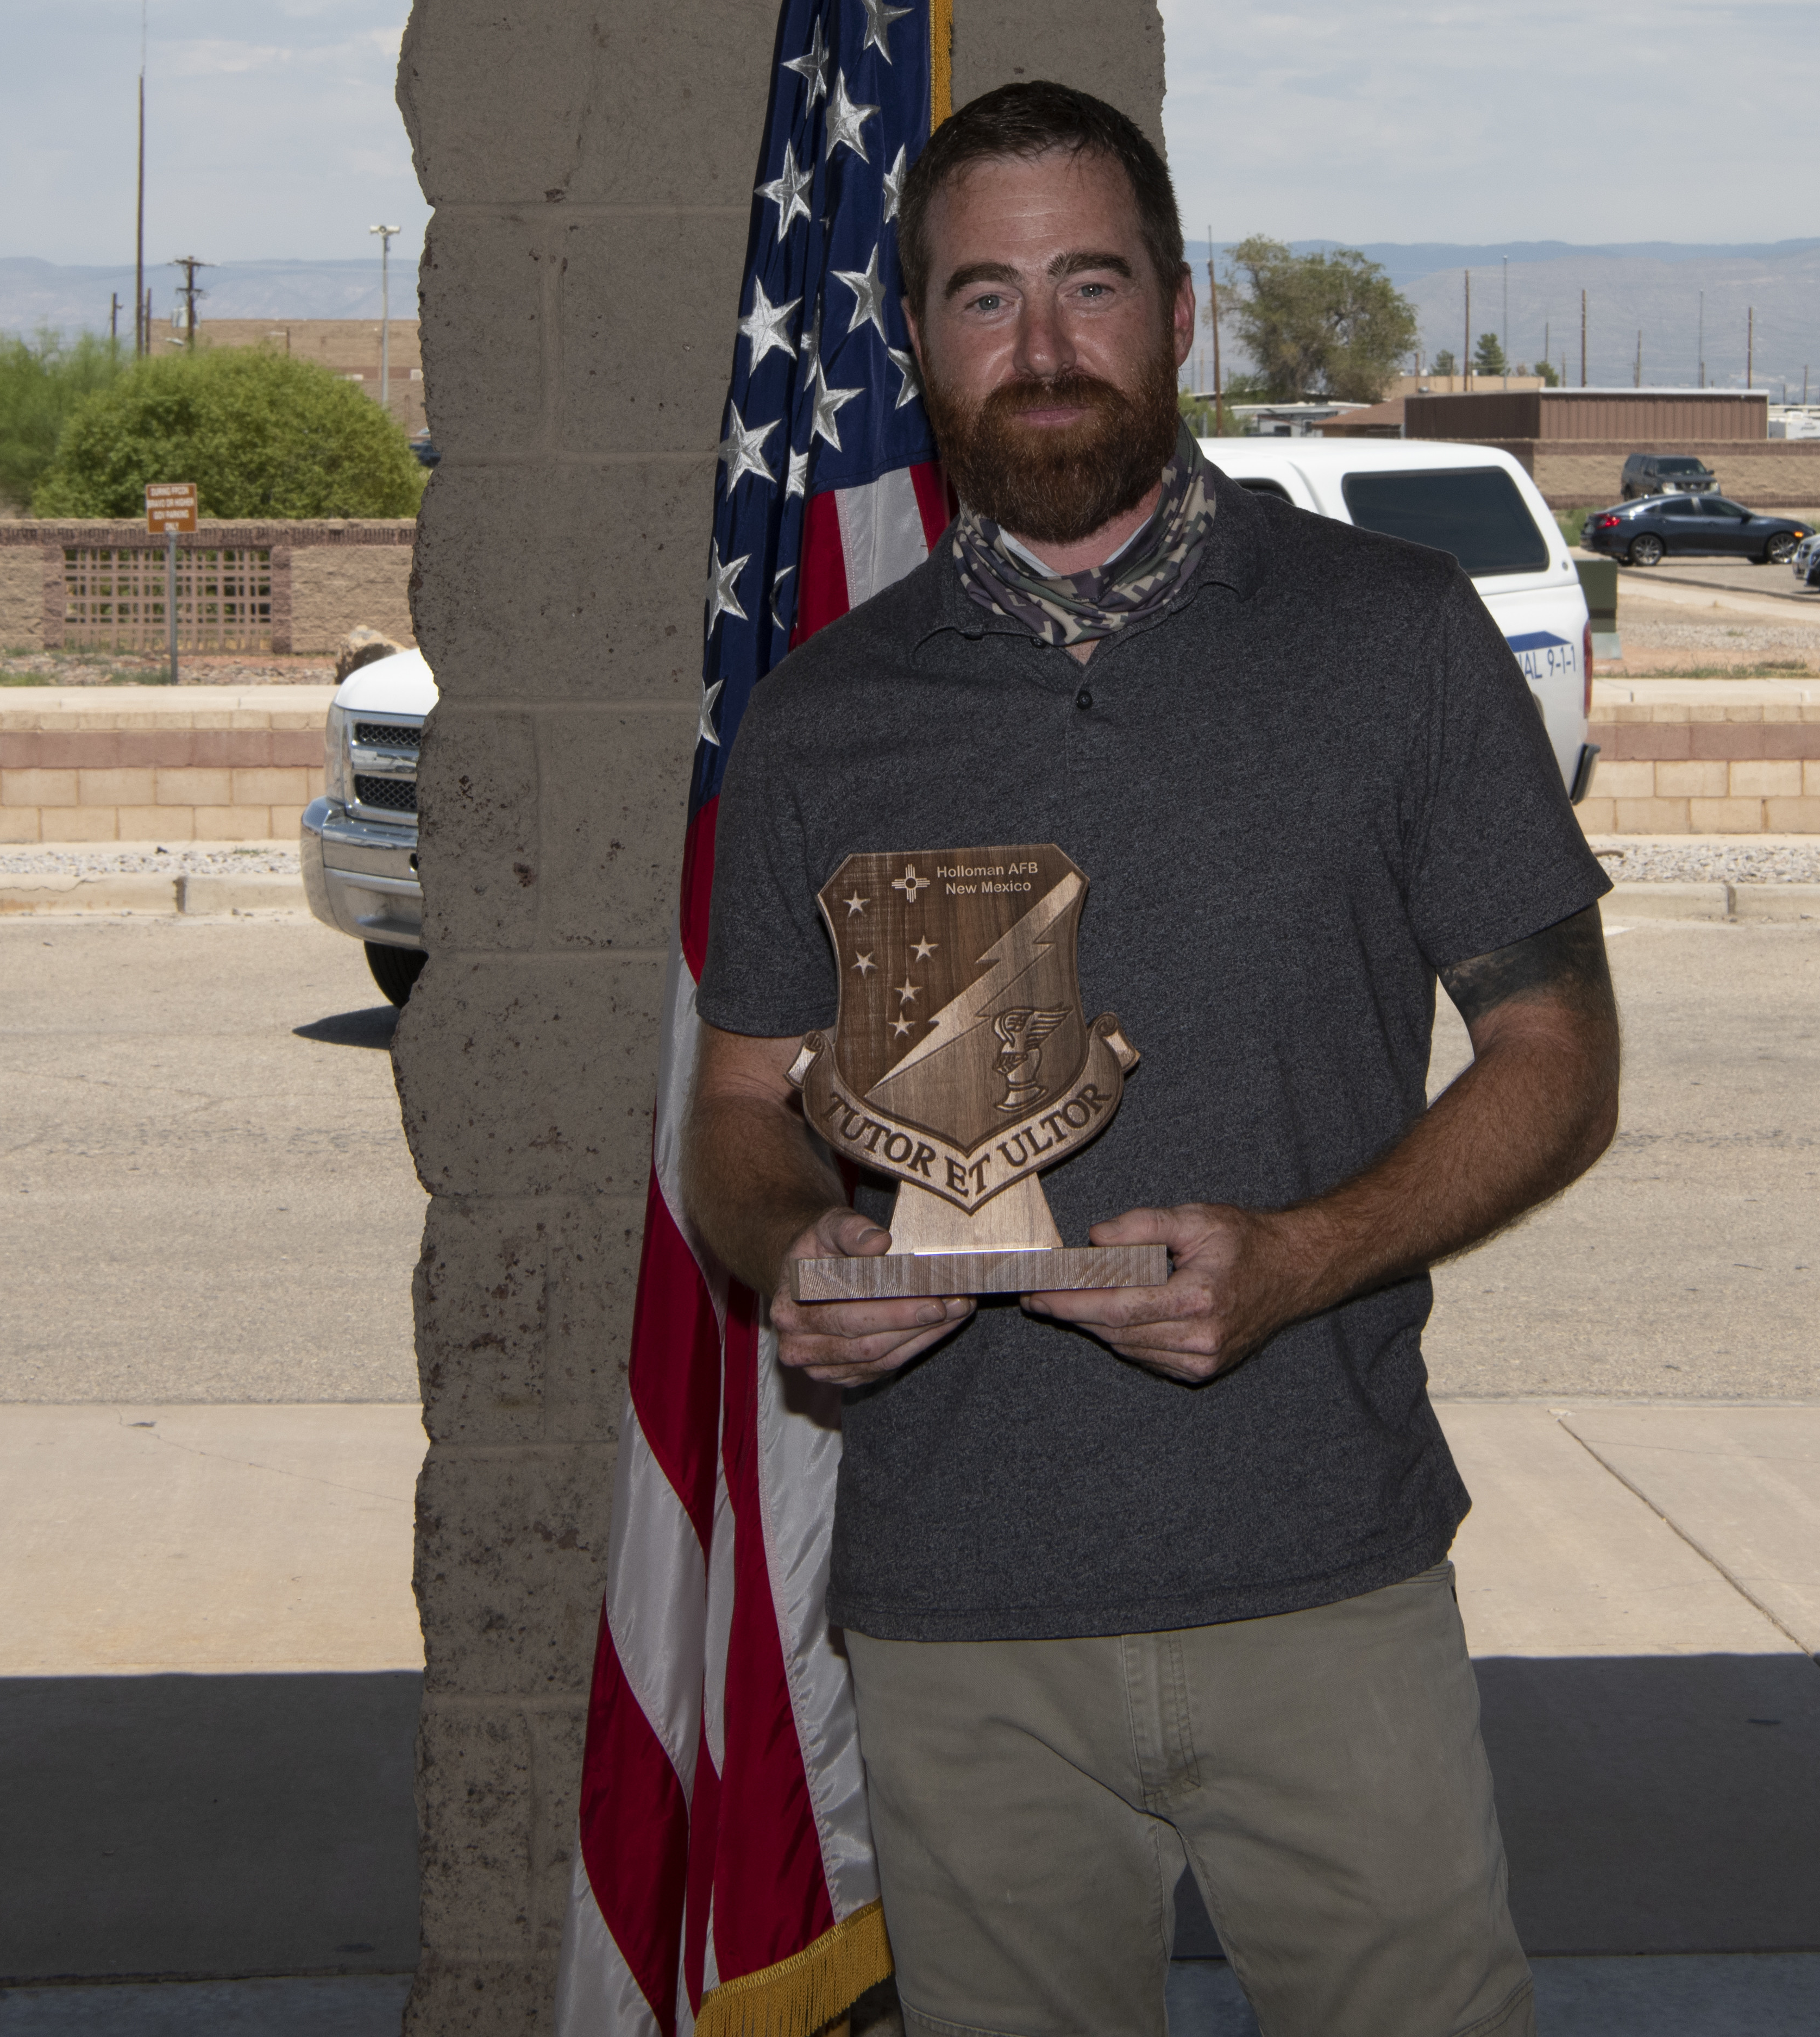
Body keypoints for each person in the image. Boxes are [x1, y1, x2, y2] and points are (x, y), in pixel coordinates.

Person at [685, 80, 1620, 2037]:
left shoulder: (1398, 636)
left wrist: (1302, 1260)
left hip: (1324, 1571)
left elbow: (1557, 1056)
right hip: (958, 1610)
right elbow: (736, 1114)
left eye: (1090, 285)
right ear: (916, 337)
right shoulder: (822, 717)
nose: (1040, 348)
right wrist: (797, 1258)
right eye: (983, 295)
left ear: (1182, 312)